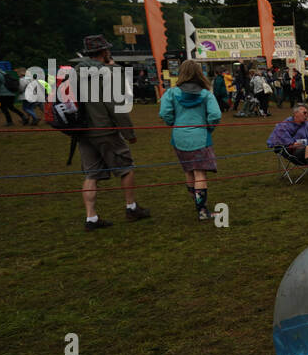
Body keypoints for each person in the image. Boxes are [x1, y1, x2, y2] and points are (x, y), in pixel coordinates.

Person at [74, 35, 150, 231]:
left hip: (82, 130)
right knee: (126, 166)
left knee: (91, 174)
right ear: (104, 51)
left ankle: (91, 217)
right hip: (104, 129)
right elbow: (116, 105)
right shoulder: (110, 72)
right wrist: (129, 132)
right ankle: (131, 207)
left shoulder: (75, 71)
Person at [159, 59, 222, 221]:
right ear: (199, 73)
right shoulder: (206, 94)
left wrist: (173, 123)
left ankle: (198, 204)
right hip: (200, 136)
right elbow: (215, 115)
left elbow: (165, 113)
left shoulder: (171, 93)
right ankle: (202, 211)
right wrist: (209, 127)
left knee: (188, 170)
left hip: (179, 137)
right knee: (199, 173)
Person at [267, 105, 308, 185]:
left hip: (307, 149)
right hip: (292, 151)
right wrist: (292, 143)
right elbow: (279, 137)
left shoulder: (307, 125)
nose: (306, 115)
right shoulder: (285, 124)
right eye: (304, 113)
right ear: (296, 113)